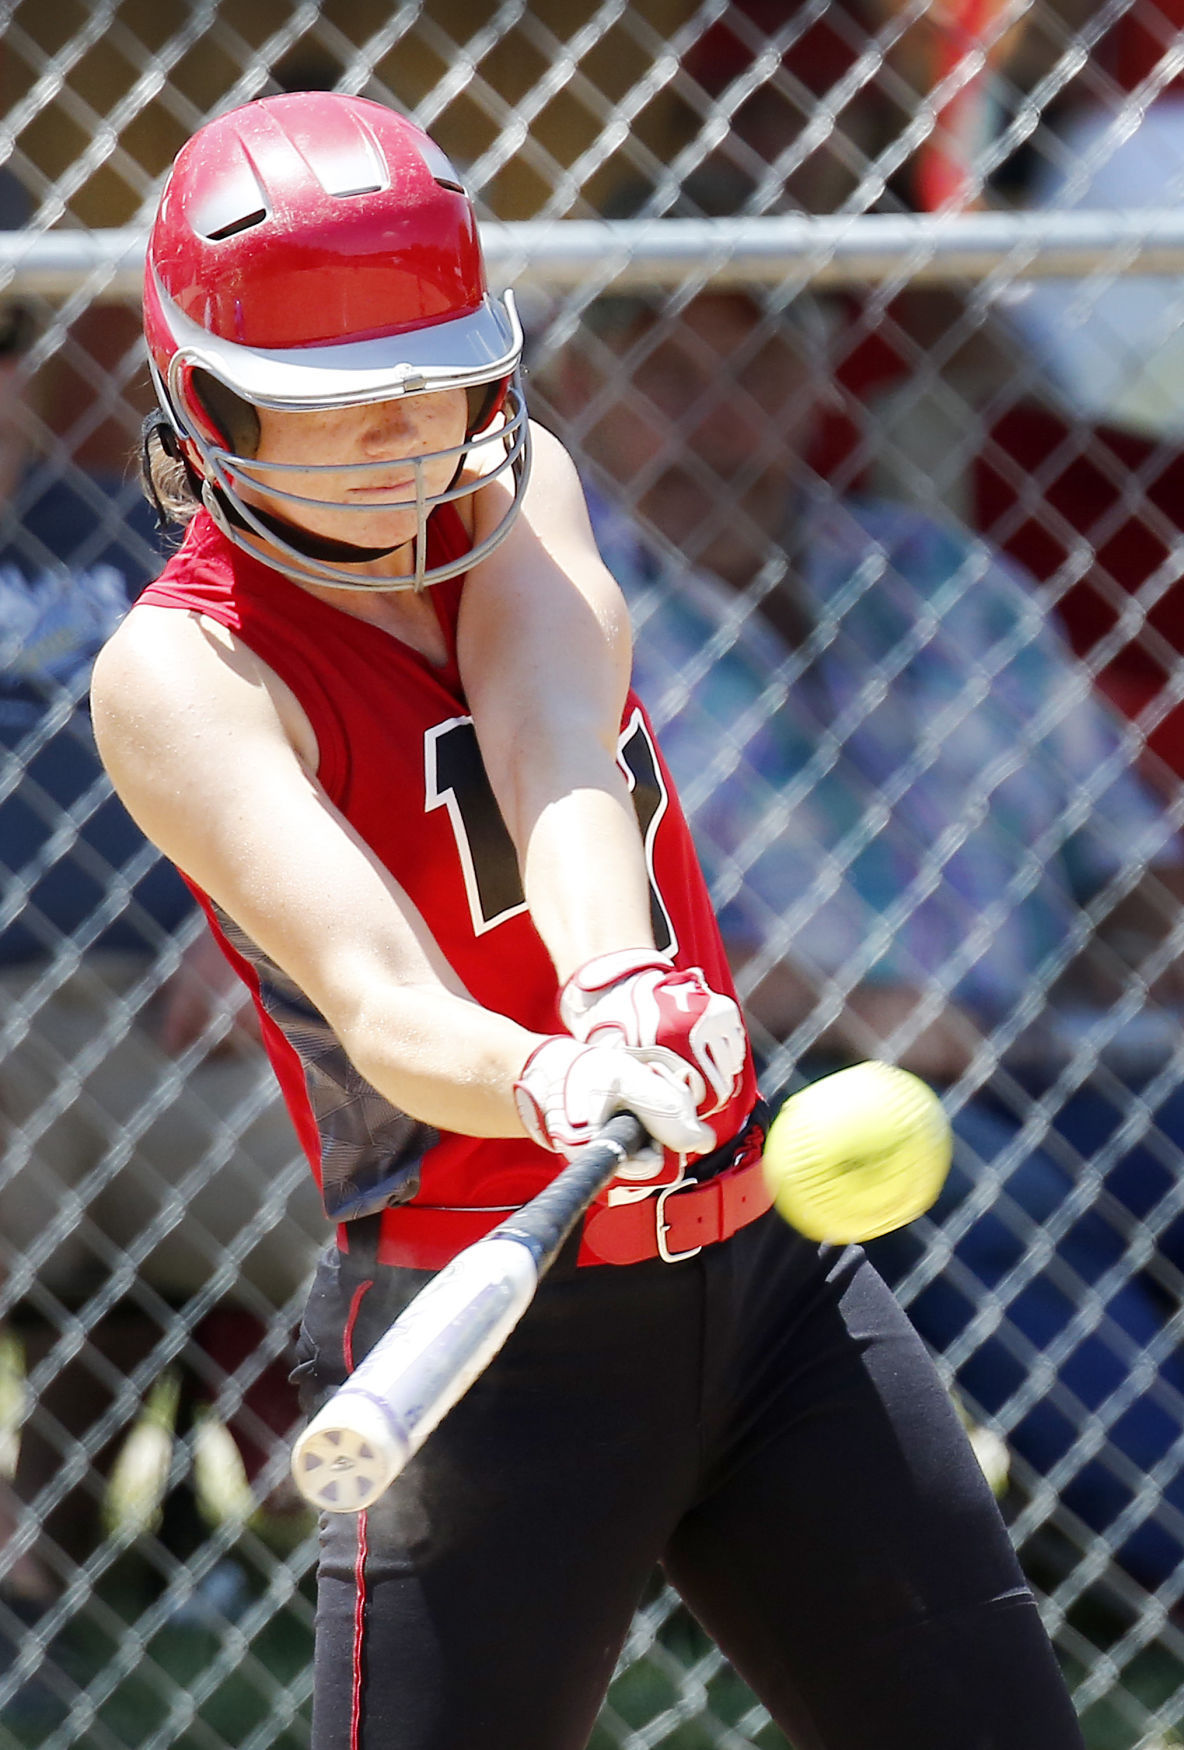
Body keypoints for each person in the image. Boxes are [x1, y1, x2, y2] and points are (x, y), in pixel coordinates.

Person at [91, 89, 1085, 1750]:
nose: (404, 441)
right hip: (490, 1344)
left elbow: (556, 744)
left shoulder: (514, 487)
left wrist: (622, 986)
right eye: (335, 412)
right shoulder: (184, 673)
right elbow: (380, 1001)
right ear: (200, 407)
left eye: (439, 388)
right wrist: (556, 1079)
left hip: (772, 1284)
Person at [539, 249, 1184, 1606]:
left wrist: (1154, 936)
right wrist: (836, 1001)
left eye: (759, 364)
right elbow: (572, 929)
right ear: (583, 393)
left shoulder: (947, 578)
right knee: (992, 1206)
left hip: (1055, 1048)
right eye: (668, 372)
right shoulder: (547, 626)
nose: (718, 410)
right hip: (765, 1089)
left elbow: (1125, 858)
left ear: (822, 379)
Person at [0, 169, 326, 1693]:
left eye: (9, 331)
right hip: (16, 1024)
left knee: (363, 1179)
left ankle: (498, 1562)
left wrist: (239, 924)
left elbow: (301, 742)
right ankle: (33, 1572)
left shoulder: (131, 529)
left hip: (178, 1002)